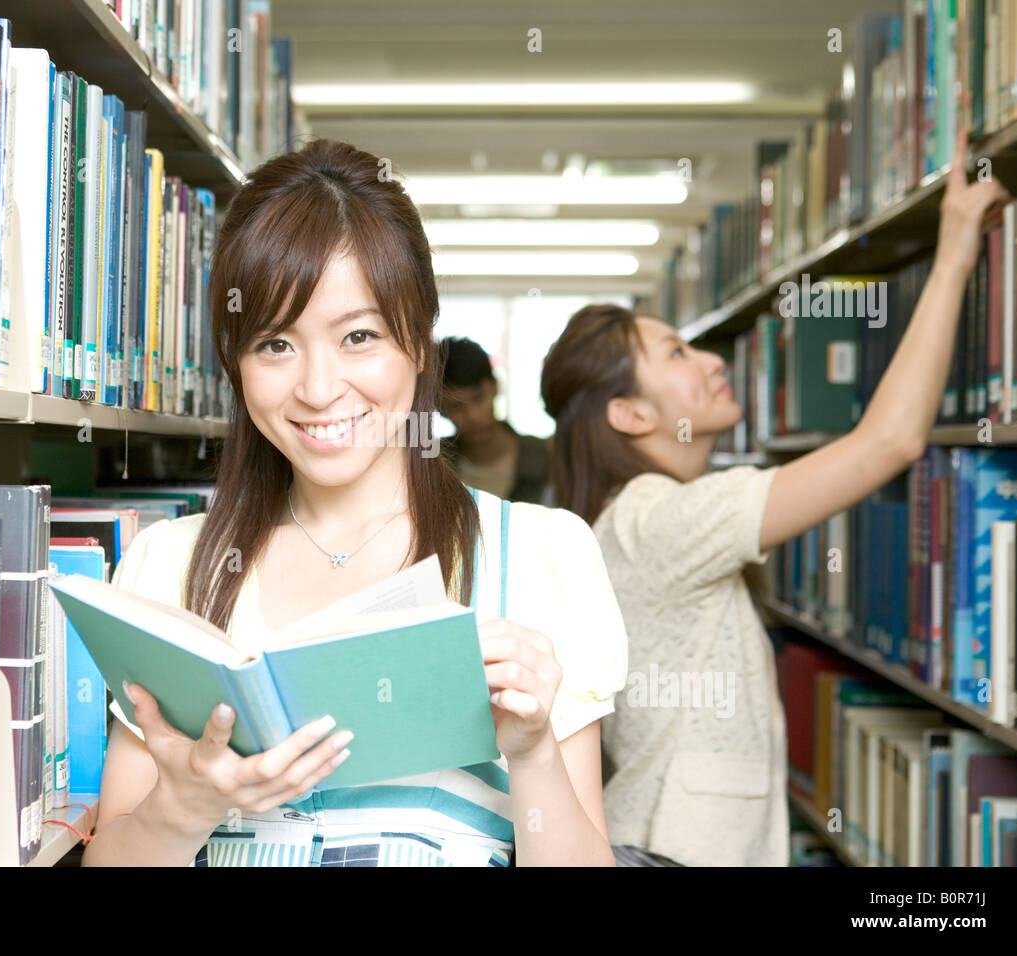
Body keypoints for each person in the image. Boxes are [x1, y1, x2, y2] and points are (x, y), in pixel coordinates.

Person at [82, 138, 629, 867]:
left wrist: (532, 755)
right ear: (235, 361)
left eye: (359, 336)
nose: (317, 388)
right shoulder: (170, 568)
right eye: (276, 344)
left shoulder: (540, 555)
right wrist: (181, 810)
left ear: (421, 345)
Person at [538, 130, 1009, 866]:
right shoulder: (653, 517)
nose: (713, 359)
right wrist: (953, 250)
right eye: (677, 353)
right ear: (628, 415)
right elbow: (889, 444)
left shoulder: (642, 513)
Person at [439, 337, 552, 503]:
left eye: (478, 398)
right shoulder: (433, 466)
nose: (473, 415)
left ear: (495, 387)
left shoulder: (546, 457)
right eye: (457, 407)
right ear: (440, 409)